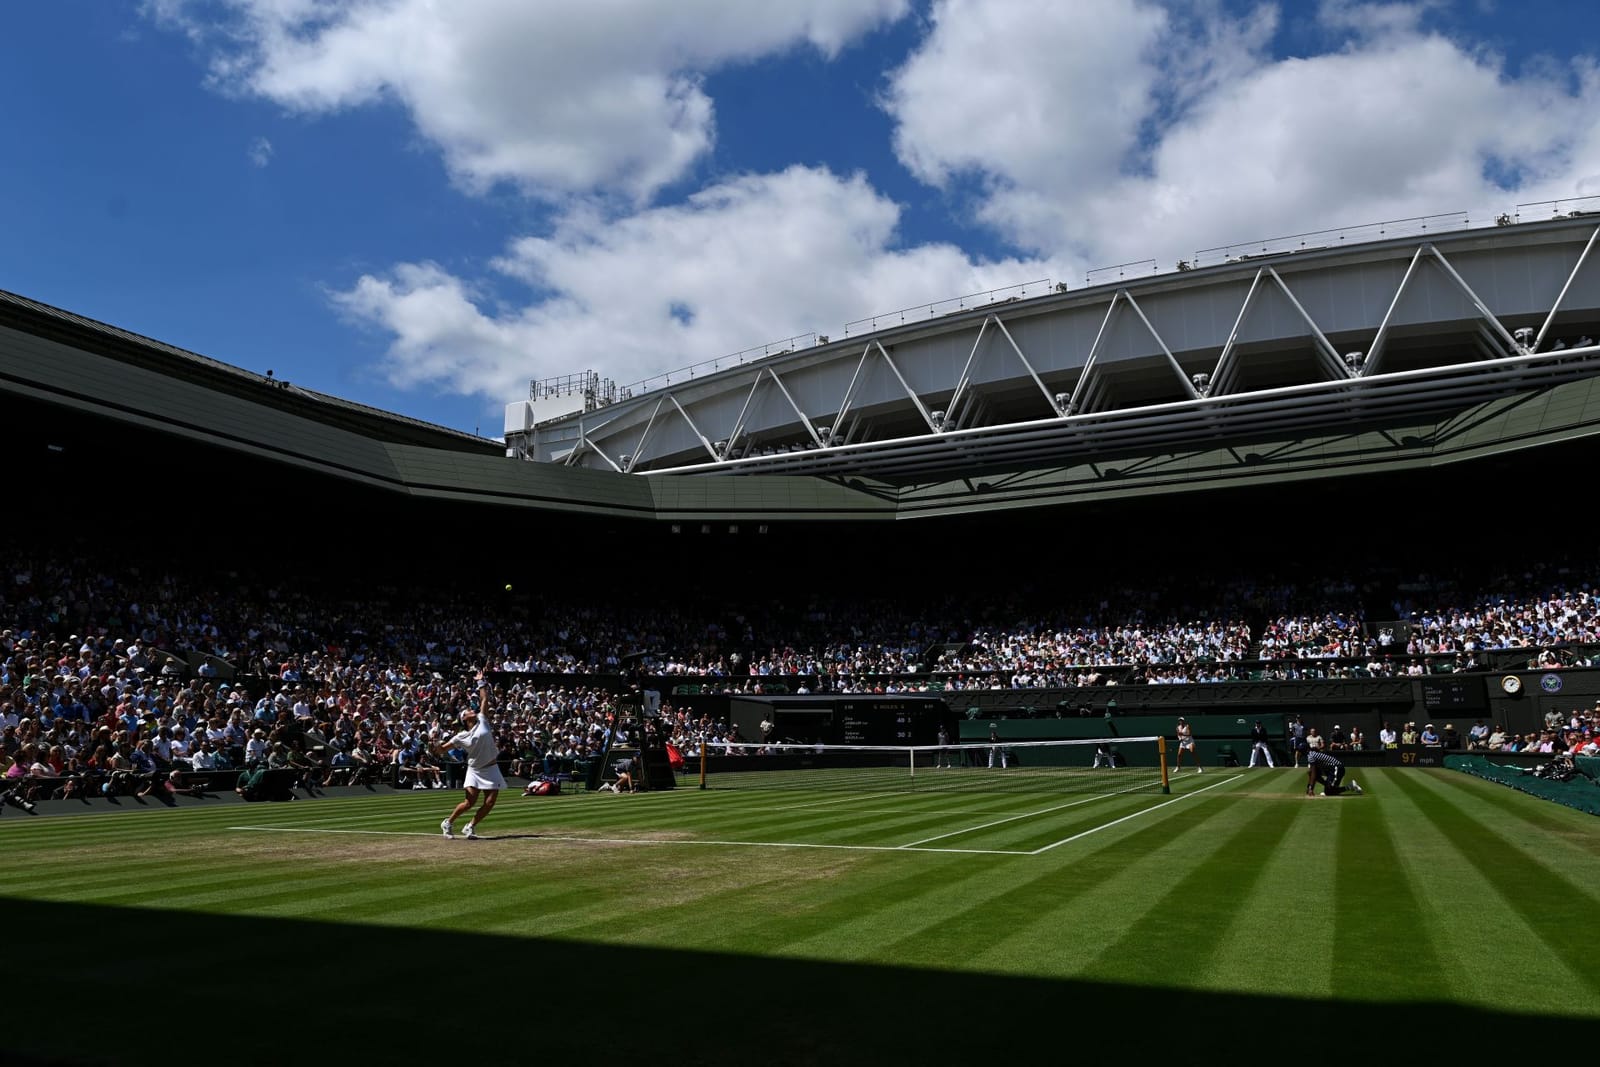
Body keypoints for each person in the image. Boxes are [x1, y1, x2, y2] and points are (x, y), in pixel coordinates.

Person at [440, 669, 505, 841]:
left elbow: (484, 699)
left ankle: (470, 826)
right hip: (475, 769)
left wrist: (480, 682)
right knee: (470, 802)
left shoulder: (483, 719)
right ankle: (448, 822)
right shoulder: (460, 736)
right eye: (468, 711)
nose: (471, 710)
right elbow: (441, 750)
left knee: (490, 802)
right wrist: (434, 745)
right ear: (465, 719)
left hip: (491, 767)